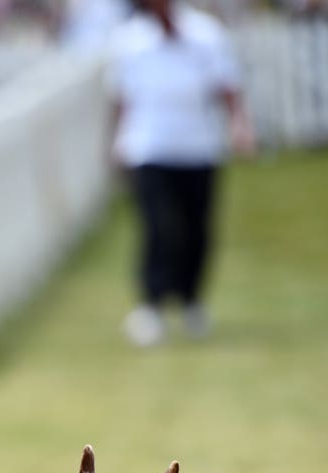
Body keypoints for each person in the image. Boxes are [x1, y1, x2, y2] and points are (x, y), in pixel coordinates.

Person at [106, 0, 253, 347]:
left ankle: (191, 299)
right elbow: (119, 97)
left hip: (197, 146)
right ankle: (151, 304)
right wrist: (114, 144)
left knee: (196, 227)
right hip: (148, 146)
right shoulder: (129, 40)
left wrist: (240, 125)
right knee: (157, 226)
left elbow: (227, 84)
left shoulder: (205, 33)